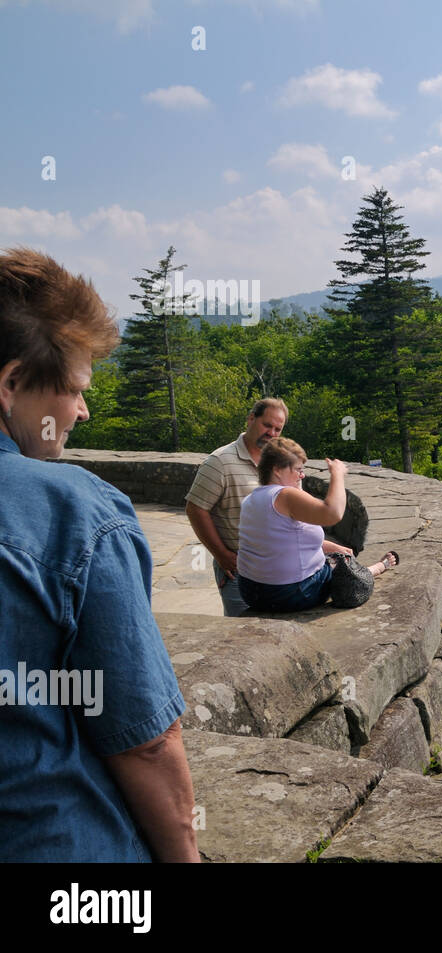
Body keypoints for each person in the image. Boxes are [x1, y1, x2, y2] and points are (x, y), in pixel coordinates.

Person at [0, 247, 198, 861]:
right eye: (76, 390)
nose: (82, 410)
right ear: (11, 384)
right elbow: (146, 742)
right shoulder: (76, 512)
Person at [236, 437, 397, 613]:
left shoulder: (251, 499)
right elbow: (333, 513)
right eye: (298, 470)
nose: (302, 475)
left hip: (251, 592)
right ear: (277, 470)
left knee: (336, 556)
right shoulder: (285, 495)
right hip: (291, 593)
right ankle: (377, 568)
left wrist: (334, 547)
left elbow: (286, 542)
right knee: (346, 572)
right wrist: (337, 474)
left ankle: (363, 566)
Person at [185, 397, 289, 617]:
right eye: (267, 425)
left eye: (277, 429)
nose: (271, 433)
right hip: (238, 571)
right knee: (243, 631)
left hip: (279, 568)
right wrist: (221, 554)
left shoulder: (281, 462)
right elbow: (195, 509)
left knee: (278, 629)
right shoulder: (220, 462)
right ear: (251, 419)